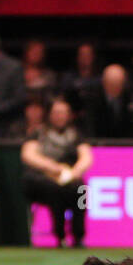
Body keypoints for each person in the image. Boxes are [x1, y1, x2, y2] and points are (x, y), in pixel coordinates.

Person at [21, 98, 93, 248]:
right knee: (56, 190)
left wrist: (75, 171)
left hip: (68, 177)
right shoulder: (38, 133)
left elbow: (86, 156)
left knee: (81, 190)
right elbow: (28, 154)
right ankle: (60, 235)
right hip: (42, 178)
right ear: (49, 115)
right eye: (56, 113)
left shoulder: (76, 135)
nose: (60, 116)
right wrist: (51, 167)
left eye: (63, 113)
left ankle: (78, 235)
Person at [85, 64, 133, 138]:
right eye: (112, 84)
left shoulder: (129, 98)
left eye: (119, 83)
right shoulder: (93, 100)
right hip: (100, 141)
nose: (115, 87)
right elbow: (90, 127)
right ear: (104, 82)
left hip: (126, 142)